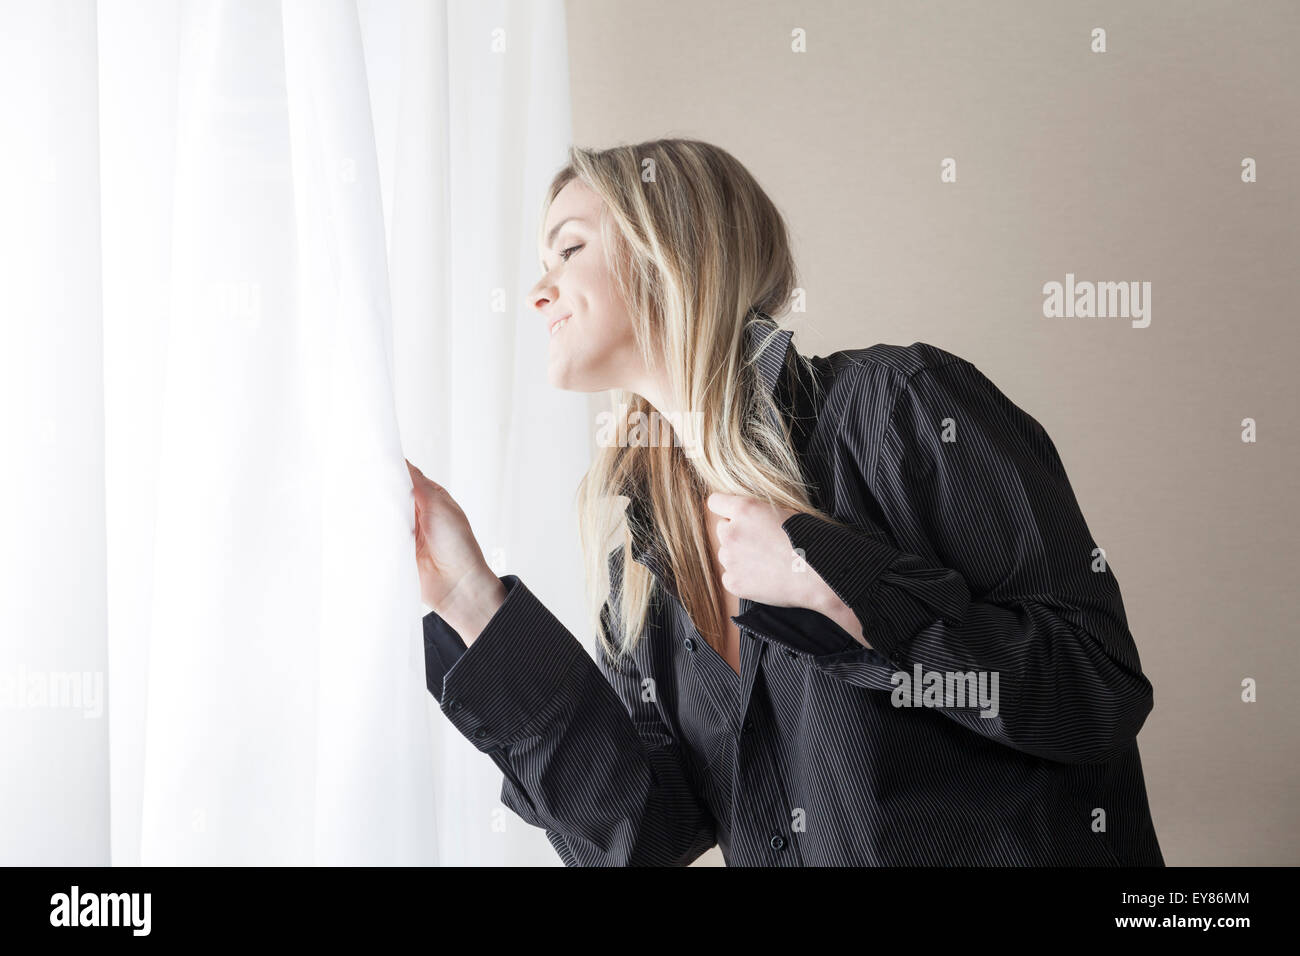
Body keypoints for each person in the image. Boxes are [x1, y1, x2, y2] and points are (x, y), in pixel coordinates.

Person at [407, 138, 1165, 867]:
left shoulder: (901, 410)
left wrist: (834, 587)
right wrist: (475, 604)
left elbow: (1094, 687)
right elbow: (647, 837)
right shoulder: (640, 564)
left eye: (568, 249)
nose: (538, 291)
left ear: (674, 251)